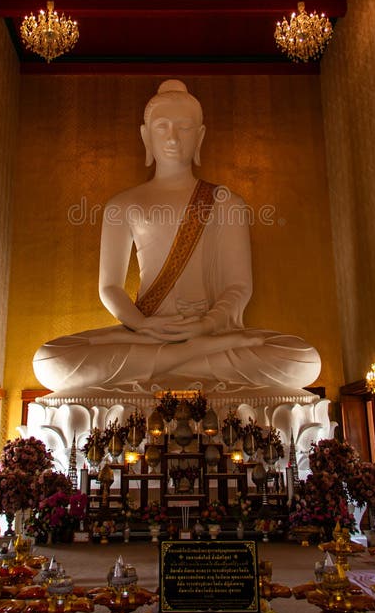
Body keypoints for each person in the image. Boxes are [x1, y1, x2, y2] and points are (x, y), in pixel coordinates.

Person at [33, 80, 321, 397]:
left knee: (302, 359)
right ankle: (192, 354)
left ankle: (182, 354)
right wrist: (141, 325)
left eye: (184, 128)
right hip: (147, 333)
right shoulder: (123, 204)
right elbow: (109, 287)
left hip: (207, 330)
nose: (172, 138)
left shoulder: (226, 202)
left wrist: (207, 325)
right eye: (162, 127)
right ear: (146, 135)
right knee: (49, 359)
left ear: (200, 136)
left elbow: (239, 286)